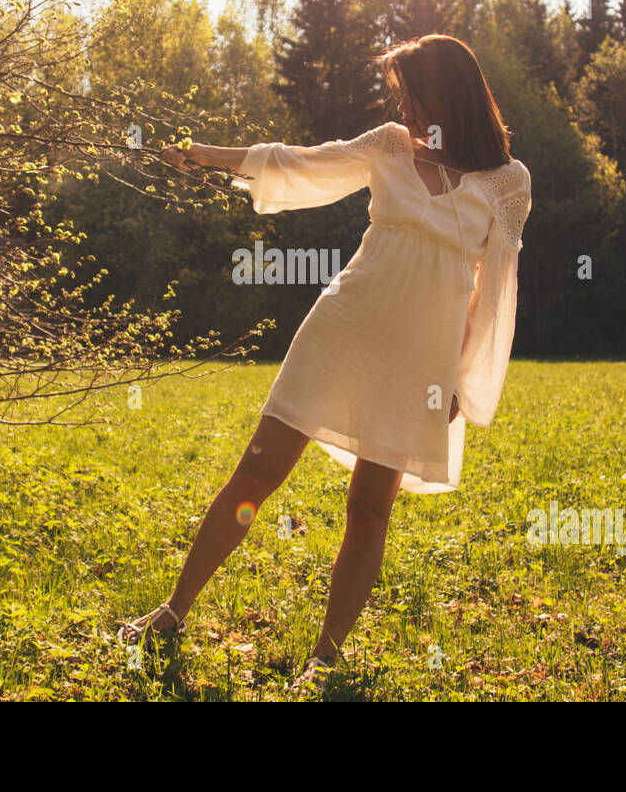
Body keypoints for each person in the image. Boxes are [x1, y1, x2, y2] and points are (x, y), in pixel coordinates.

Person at [118, 34, 533, 692]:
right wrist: (205, 154)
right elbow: (300, 163)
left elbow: (495, 290)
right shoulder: (391, 146)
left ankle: (324, 660)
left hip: (418, 364)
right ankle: (173, 610)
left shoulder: (507, 184)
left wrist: (461, 379)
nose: (405, 110)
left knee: (369, 510)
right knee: (253, 478)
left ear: (448, 97)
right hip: (340, 334)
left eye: (413, 96)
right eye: (401, 98)